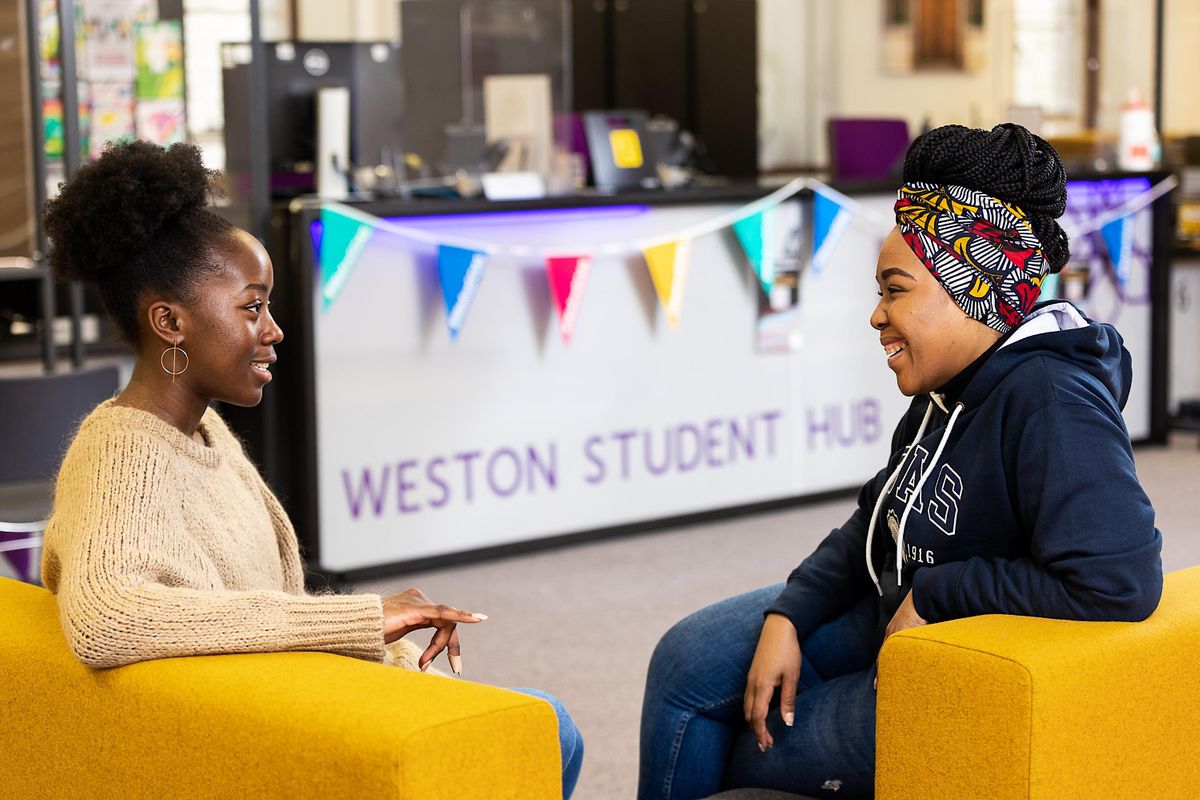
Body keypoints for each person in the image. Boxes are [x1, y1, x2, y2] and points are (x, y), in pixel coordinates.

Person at [39, 141, 582, 798]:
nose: (274, 330)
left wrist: (385, 642)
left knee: (543, 727)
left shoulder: (201, 428)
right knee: (550, 729)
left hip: (285, 698)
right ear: (170, 321)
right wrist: (359, 622)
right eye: (251, 306)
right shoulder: (122, 451)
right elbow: (108, 618)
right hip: (258, 731)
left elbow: (253, 608)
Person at [638, 123, 1163, 800]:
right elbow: (878, 515)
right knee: (684, 663)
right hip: (889, 606)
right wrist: (790, 613)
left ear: (971, 287)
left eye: (895, 289)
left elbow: (1120, 581)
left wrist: (942, 592)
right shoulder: (953, 384)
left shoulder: (1052, 398)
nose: (876, 316)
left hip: (962, 658)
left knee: (749, 744)